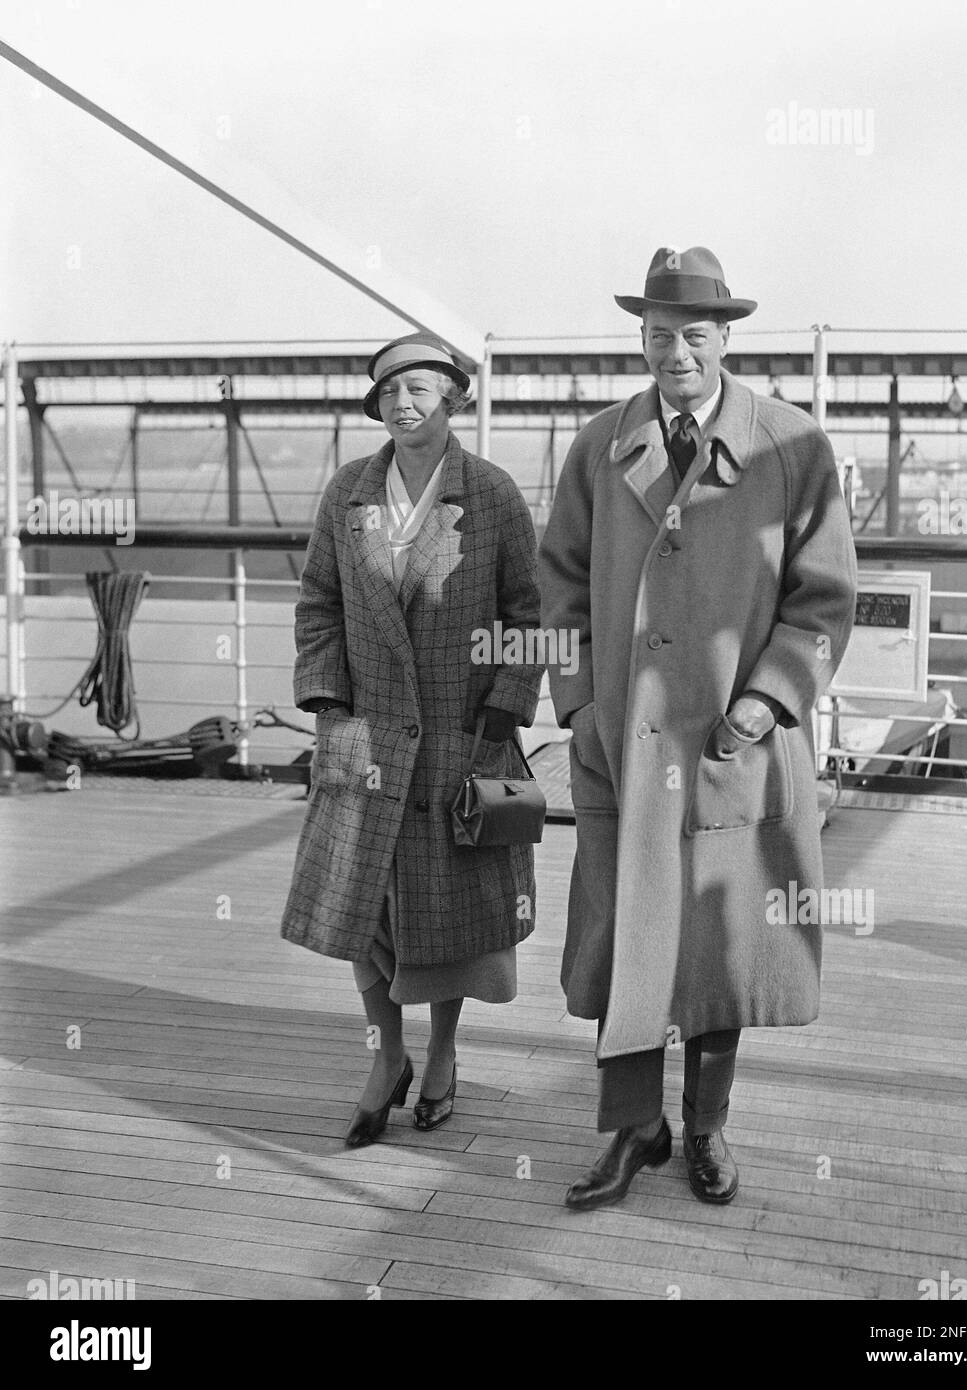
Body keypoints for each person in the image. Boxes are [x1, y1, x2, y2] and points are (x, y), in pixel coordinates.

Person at [538, 246, 857, 1210]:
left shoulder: (792, 445)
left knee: (722, 950)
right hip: (622, 747)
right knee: (624, 943)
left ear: (725, 339)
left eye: (692, 336)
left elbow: (826, 595)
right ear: (641, 338)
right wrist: (581, 707)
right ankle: (635, 1132)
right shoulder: (598, 445)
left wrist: (767, 699)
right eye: (657, 335)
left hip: (733, 742)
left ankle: (708, 1132)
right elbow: (555, 586)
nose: (674, 352)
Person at [281, 330, 543, 1146]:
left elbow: (530, 616)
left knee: (447, 910)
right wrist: (324, 697)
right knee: (364, 908)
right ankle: (385, 1052)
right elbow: (319, 601)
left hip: (458, 736)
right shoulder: (348, 493)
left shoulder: (492, 494)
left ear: (452, 400)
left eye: (420, 390)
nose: (403, 404)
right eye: (390, 392)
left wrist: (504, 703)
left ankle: (442, 1052)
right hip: (362, 735)